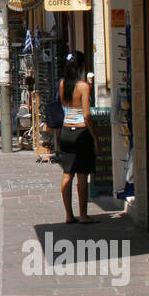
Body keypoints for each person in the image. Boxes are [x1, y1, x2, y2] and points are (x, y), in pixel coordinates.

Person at [57, 50, 97, 223]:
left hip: (66, 131)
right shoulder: (83, 86)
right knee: (81, 174)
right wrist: (95, 138)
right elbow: (86, 114)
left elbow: (63, 105)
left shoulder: (63, 84)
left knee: (67, 173)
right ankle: (83, 214)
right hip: (81, 132)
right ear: (81, 66)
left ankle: (68, 214)